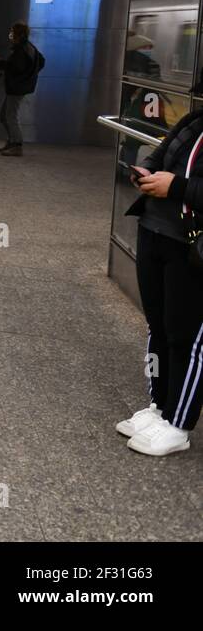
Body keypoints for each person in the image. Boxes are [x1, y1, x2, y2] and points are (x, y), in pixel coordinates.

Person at [122, 108, 203, 455]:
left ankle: (178, 423)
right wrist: (147, 173)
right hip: (154, 230)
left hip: (191, 245)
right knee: (158, 324)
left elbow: (183, 184)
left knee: (184, 335)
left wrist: (176, 187)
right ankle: (160, 408)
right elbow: (160, 153)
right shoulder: (194, 120)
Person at [0, 22, 45, 156]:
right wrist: (29, 75)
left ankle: (17, 145)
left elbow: (14, 67)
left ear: (18, 34)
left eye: (12, 31)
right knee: (4, 116)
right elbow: (41, 61)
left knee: (10, 116)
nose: (10, 34)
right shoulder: (29, 47)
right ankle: (12, 141)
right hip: (18, 87)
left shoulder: (21, 49)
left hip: (16, 88)